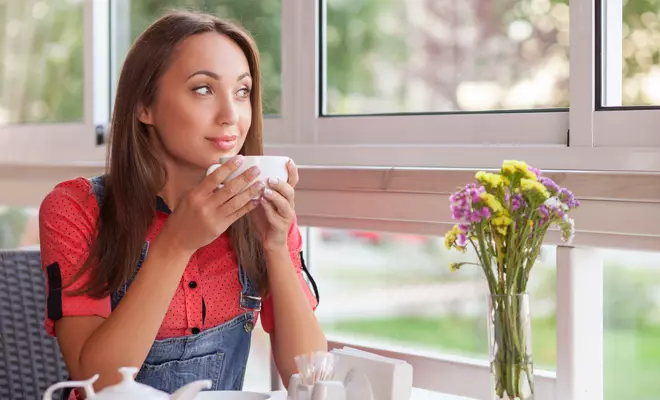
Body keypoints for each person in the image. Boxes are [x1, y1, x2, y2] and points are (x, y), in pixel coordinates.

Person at [38, 10, 326, 398]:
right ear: (145, 106)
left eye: (242, 91)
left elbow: (307, 378)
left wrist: (275, 246)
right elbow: (96, 384)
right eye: (203, 89)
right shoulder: (76, 208)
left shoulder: (259, 211)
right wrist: (176, 244)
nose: (231, 116)